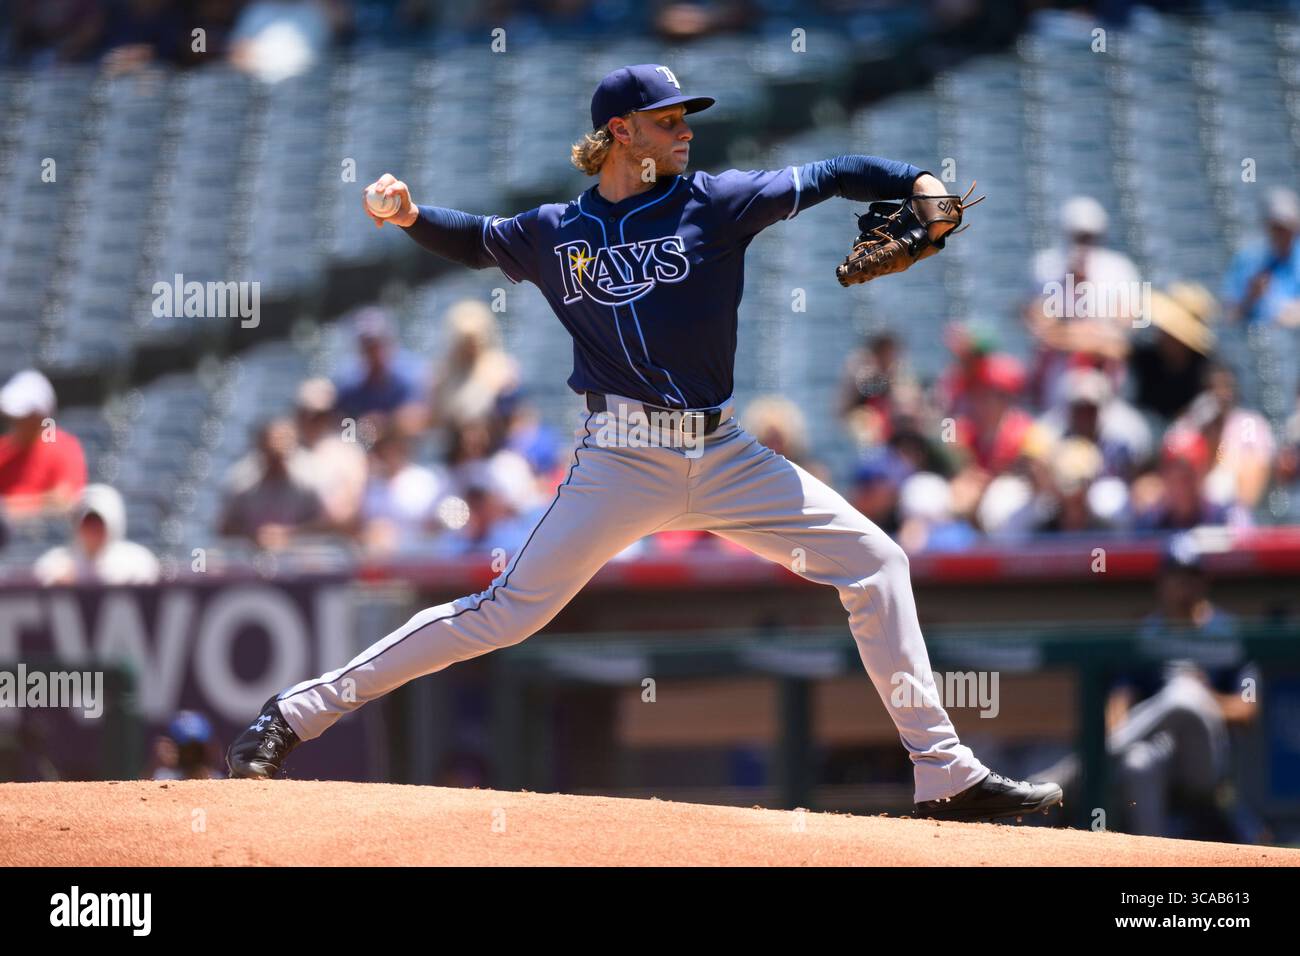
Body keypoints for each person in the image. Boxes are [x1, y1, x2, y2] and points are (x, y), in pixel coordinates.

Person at [227, 64, 1062, 822]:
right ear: (621, 131)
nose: (687, 131)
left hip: (726, 453)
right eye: (669, 119)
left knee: (877, 563)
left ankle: (943, 771)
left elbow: (836, 174)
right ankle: (292, 714)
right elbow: (472, 237)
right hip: (620, 457)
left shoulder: (717, 201)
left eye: (686, 118)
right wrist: (408, 215)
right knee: (504, 615)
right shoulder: (555, 230)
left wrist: (917, 181)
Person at [1036, 536, 1261, 840]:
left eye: (1190, 576)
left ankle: (1074, 772)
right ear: (1162, 583)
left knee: (1184, 694)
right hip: (1159, 753)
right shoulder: (1149, 633)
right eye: (1176, 576)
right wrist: (1120, 729)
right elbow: (1119, 703)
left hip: (1206, 761)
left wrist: (1204, 697)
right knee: (1138, 762)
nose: (1183, 585)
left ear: (1203, 581)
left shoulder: (1227, 631)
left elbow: (1247, 709)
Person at [217, 417, 328, 549]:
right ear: (262, 447)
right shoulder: (241, 481)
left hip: (300, 560)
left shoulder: (310, 477)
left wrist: (289, 533)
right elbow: (224, 528)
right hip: (252, 559)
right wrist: (254, 535)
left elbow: (326, 524)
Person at [33, 483, 160, 585]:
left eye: (99, 523)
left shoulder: (137, 562)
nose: (94, 529)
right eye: (88, 522)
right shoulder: (55, 563)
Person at [0, 369, 87, 517]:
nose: (17, 422)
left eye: (26, 416)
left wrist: (7, 506)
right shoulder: (4, 449)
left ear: (41, 416)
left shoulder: (63, 447)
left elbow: (64, 502)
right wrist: (44, 501)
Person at [1222, 188, 1300, 326]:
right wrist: (1251, 297)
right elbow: (1229, 317)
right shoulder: (1246, 260)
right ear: (1267, 226)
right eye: (1276, 227)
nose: (1282, 234)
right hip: (1253, 339)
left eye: (1287, 227)